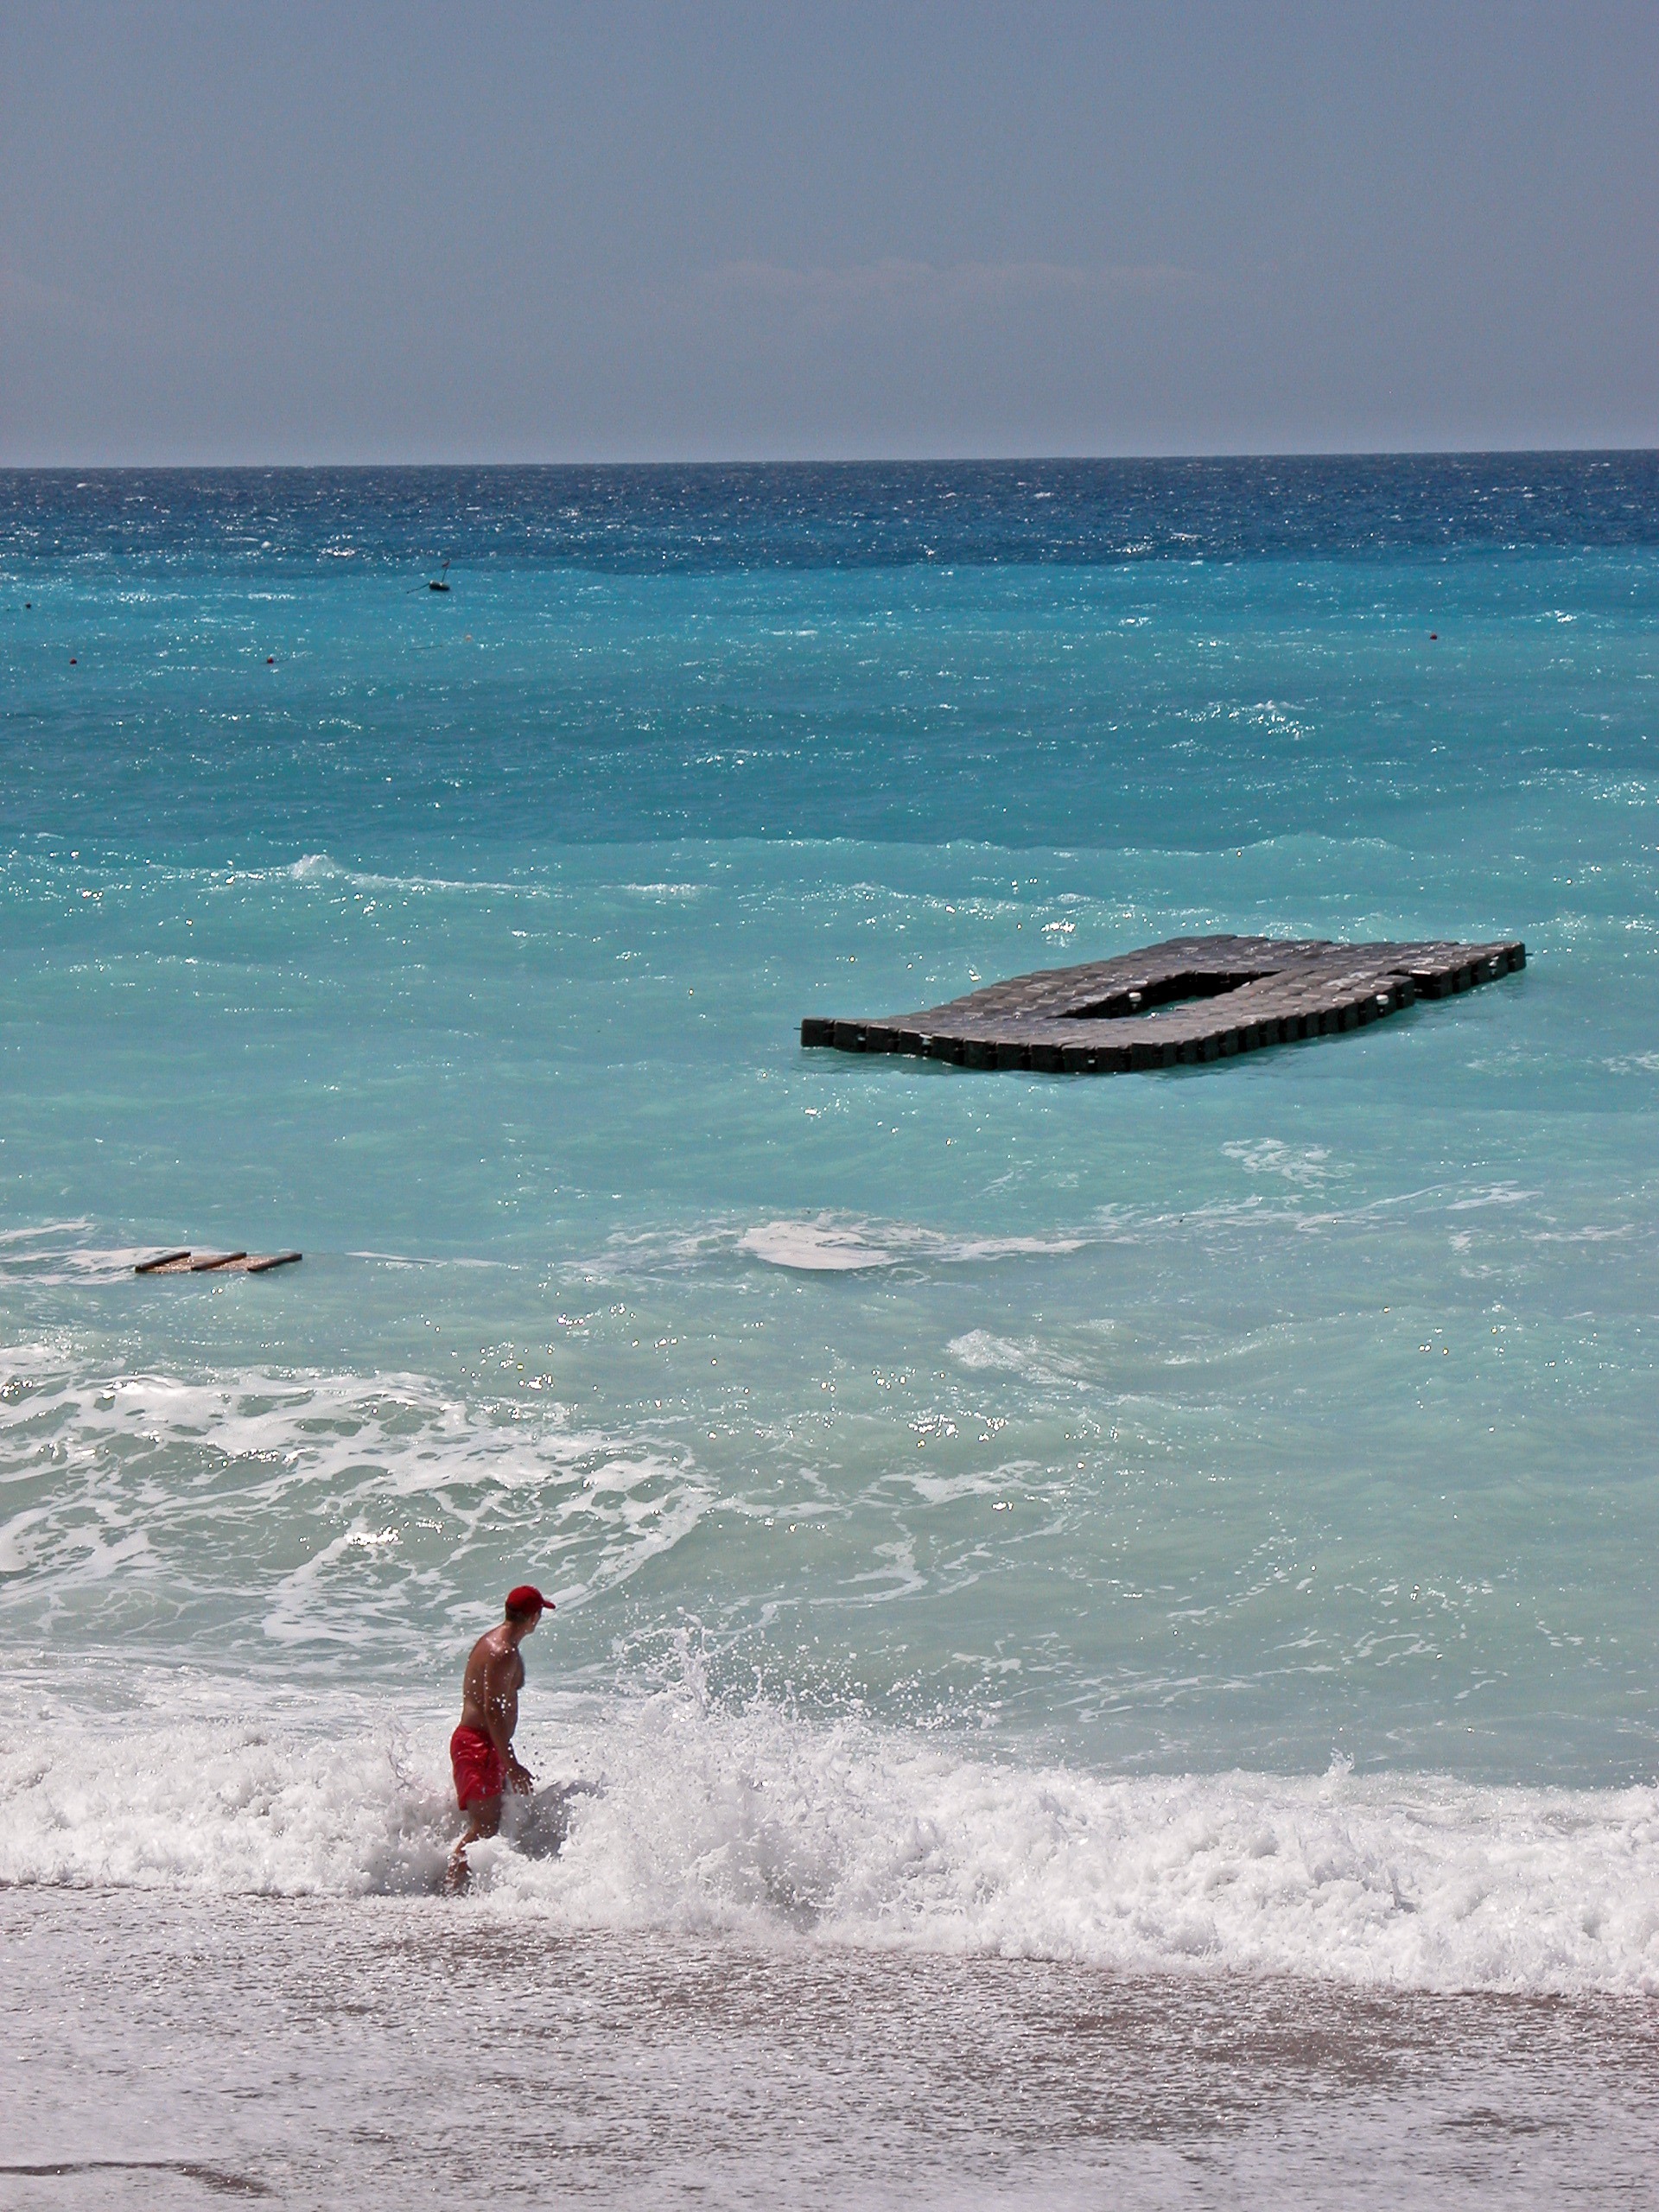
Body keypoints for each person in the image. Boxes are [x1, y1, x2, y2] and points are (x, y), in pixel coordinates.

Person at [446, 1584, 553, 1891]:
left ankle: (466, 1890)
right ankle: (449, 1891)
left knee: (494, 1823)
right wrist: (512, 1763)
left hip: (484, 1744)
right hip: (477, 1745)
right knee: (485, 1826)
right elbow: (492, 1712)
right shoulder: (503, 1652)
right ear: (533, 1617)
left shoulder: (498, 1644)